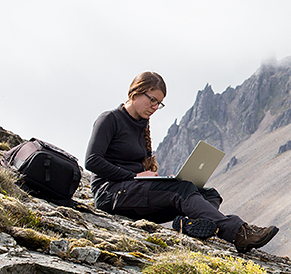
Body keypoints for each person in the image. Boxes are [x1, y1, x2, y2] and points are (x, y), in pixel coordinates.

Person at [85, 71, 278, 253]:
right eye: (152, 100)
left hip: (133, 194)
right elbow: (92, 161)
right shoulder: (110, 119)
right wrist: (134, 176)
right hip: (110, 194)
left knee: (209, 194)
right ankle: (239, 233)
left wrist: (162, 180)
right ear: (135, 92)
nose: (154, 107)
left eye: (159, 104)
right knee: (182, 191)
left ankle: (188, 225)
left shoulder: (141, 126)